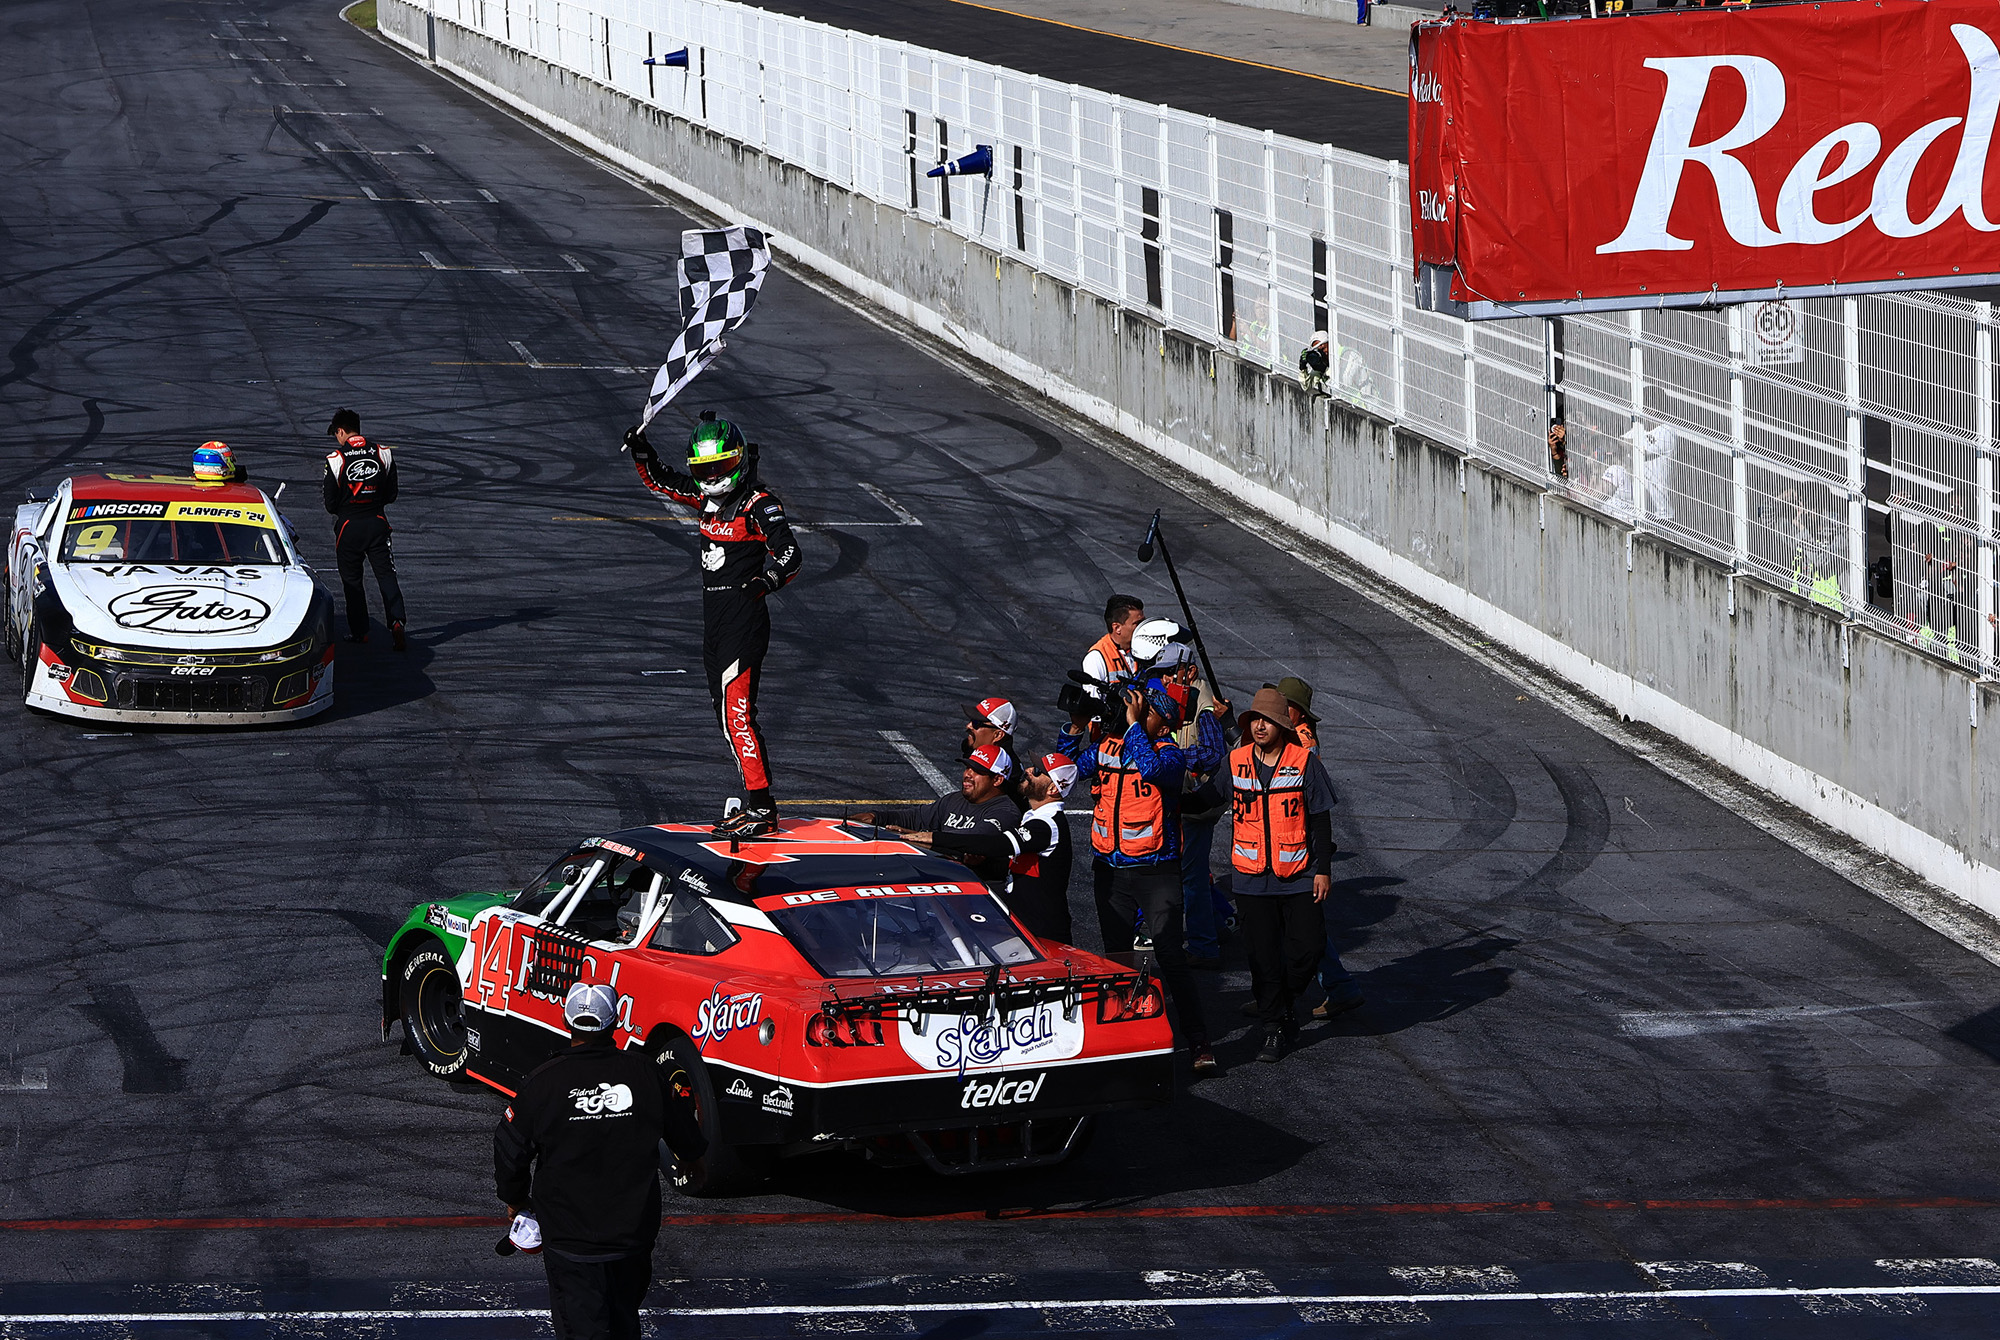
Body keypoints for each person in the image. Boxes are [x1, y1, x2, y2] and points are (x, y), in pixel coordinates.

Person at [494, 982, 707, 1340]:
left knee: (583, 1331)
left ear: (568, 1021)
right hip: (632, 1235)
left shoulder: (543, 1082)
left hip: (570, 1239)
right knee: (624, 1321)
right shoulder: (645, 1074)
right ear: (616, 1021)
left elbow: (508, 1147)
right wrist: (694, 1159)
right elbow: (687, 1135)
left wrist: (515, 1198)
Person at [624, 413, 801, 837]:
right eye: (704, 469)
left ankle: (762, 808)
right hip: (715, 625)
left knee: (738, 716)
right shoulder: (705, 499)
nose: (713, 477)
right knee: (726, 718)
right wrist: (641, 451)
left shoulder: (759, 504)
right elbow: (662, 482)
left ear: (738, 462)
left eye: (720, 467)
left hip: (744, 620)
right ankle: (755, 802)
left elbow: (790, 553)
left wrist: (767, 579)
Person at [1059, 679, 1217, 1074]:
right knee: (1118, 961)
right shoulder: (1108, 748)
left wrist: (1132, 727)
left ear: (1164, 726)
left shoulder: (1170, 754)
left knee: (1170, 957)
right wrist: (1075, 729)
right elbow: (1062, 775)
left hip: (1156, 872)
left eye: (1146, 711)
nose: (1136, 713)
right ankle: (1125, 1040)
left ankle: (1198, 1041)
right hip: (1109, 872)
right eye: (1137, 709)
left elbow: (1150, 768)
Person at [1229, 689, 1341, 1062]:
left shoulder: (1304, 762)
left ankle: (1284, 1003)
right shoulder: (1236, 760)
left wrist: (1322, 870)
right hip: (1249, 879)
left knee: (1309, 948)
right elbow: (1206, 798)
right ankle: (1274, 1027)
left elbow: (1321, 819)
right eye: (1254, 720)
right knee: (1262, 960)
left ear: (1281, 725)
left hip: (1298, 876)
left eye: (1267, 720)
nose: (1259, 726)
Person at [1150, 640, 1231, 969]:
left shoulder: (1204, 705)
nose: (1167, 680)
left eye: (1172, 672)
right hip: (1182, 800)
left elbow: (1213, 754)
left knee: (1192, 876)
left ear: (1190, 671)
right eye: (1163, 674)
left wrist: (1173, 758)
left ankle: (1204, 945)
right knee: (1185, 872)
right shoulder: (1176, 698)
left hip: (1199, 803)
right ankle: (1218, 924)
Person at [851, 745, 1023, 891]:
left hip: (979, 893)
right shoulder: (954, 800)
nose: (967, 774)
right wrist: (877, 817)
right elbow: (915, 817)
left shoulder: (1006, 813)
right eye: (967, 767)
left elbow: (974, 842)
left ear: (998, 779)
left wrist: (918, 836)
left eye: (977, 771)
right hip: (943, 884)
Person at [322, 408, 407, 650]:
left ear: (340, 431)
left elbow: (330, 504)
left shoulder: (335, 459)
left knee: (352, 581)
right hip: (378, 521)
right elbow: (392, 494)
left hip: (349, 526)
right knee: (386, 575)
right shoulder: (383, 453)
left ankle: (360, 632)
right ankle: (397, 621)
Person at [995, 752, 1079, 943]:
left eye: (1038, 771)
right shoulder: (1033, 816)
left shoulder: (1047, 825)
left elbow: (996, 845)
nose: (1029, 771)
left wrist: (933, 838)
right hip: (1023, 927)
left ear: (1052, 789)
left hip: (1044, 935)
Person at [1275, 676, 1320, 753]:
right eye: (1278, 703)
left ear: (1302, 713)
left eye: (1287, 705)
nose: (1280, 709)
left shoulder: (1299, 741)